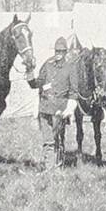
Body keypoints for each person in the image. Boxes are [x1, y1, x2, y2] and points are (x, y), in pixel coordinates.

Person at [28, 37, 79, 168]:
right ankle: (48, 166)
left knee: (58, 139)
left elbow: (74, 91)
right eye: (57, 51)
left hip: (60, 109)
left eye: (61, 51)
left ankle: (57, 165)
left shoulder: (70, 68)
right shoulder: (47, 65)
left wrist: (70, 108)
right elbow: (37, 83)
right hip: (45, 107)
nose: (58, 54)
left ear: (66, 52)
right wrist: (29, 73)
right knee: (47, 139)